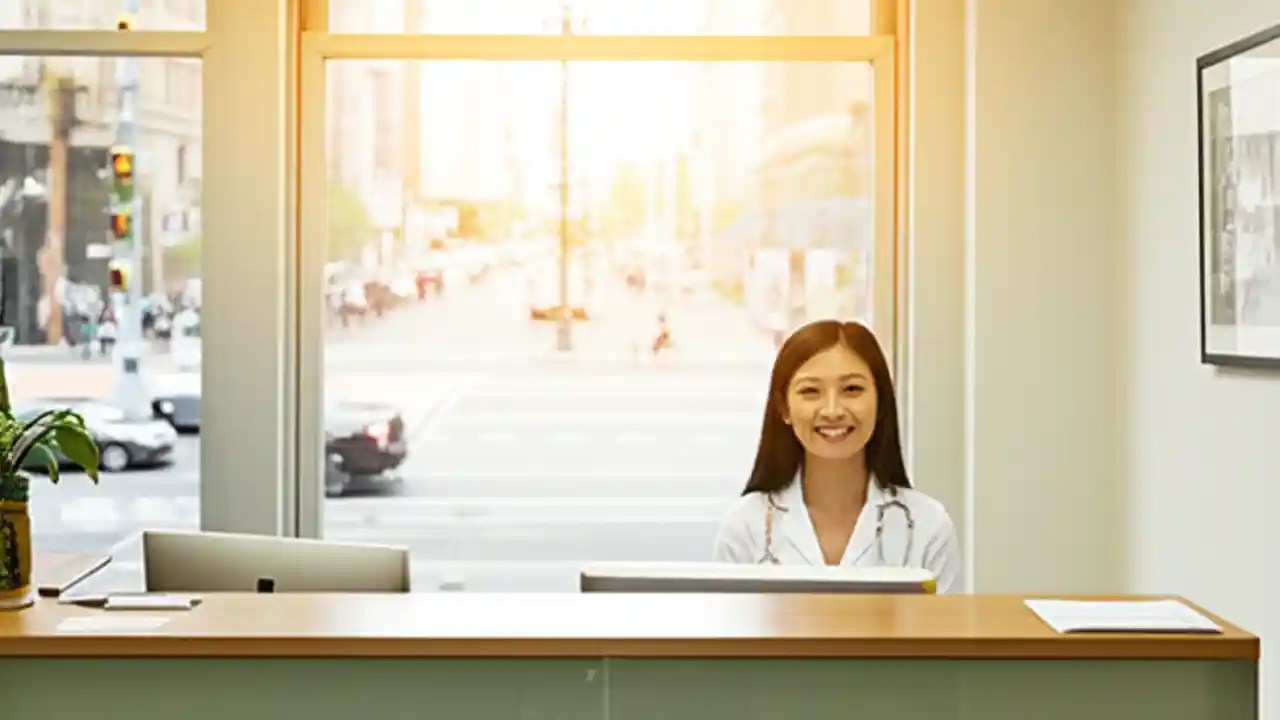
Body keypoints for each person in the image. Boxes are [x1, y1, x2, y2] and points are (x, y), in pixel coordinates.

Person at [712, 319, 963, 594]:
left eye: (852, 389)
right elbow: (731, 636)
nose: (832, 410)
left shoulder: (928, 525)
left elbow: (946, 636)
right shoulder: (746, 525)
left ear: (881, 403)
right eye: (811, 391)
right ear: (783, 407)